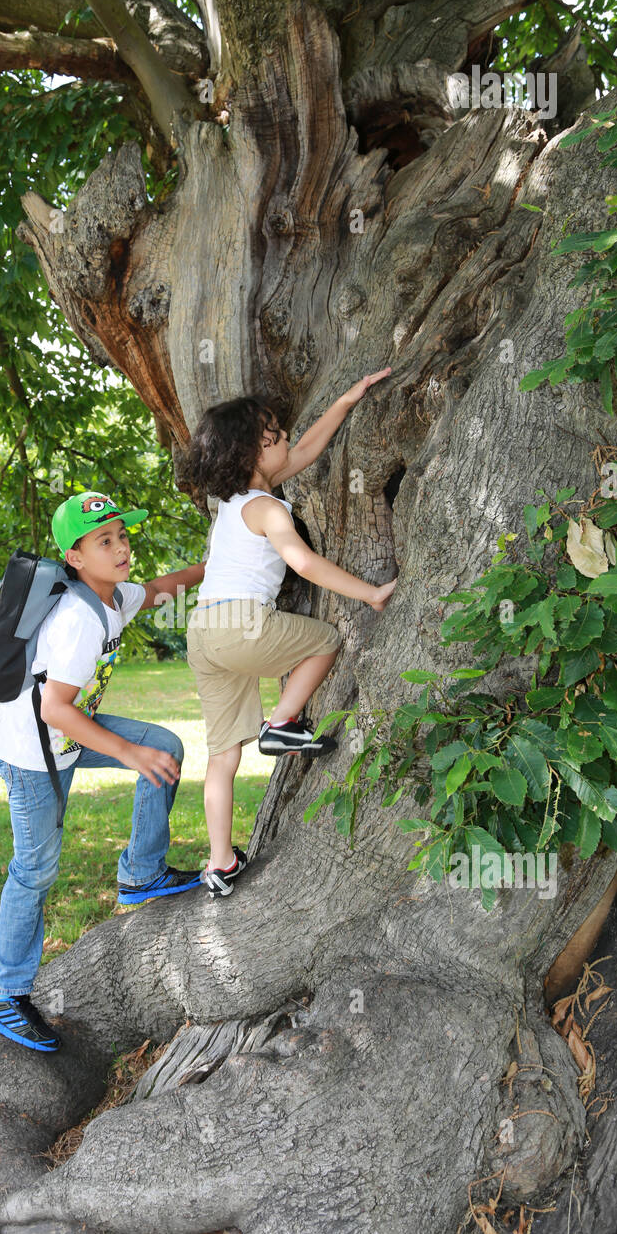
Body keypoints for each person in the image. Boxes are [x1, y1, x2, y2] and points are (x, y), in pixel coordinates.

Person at [0, 491, 205, 1051]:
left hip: (67, 737)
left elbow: (154, 591)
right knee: (34, 871)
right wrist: (127, 754)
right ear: (75, 558)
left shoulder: (109, 596)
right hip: (35, 755)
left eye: (123, 536)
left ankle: (141, 874)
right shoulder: (77, 617)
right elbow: (55, 709)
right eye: (105, 541)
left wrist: (214, 562)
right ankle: (2, 996)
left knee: (164, 746)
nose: (121, 547)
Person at [187, 372, 398, 899]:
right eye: (273, 434)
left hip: (203, 633)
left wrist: (347, 398)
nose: (284, 437)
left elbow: (306, 448)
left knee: (221, 756)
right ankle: (281, 723)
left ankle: (220, 862)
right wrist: (369, 594)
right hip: (242, 625)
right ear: (253, 455)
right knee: (325, 639)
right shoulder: (269, 509)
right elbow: (302, 561)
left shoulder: (235, 506)